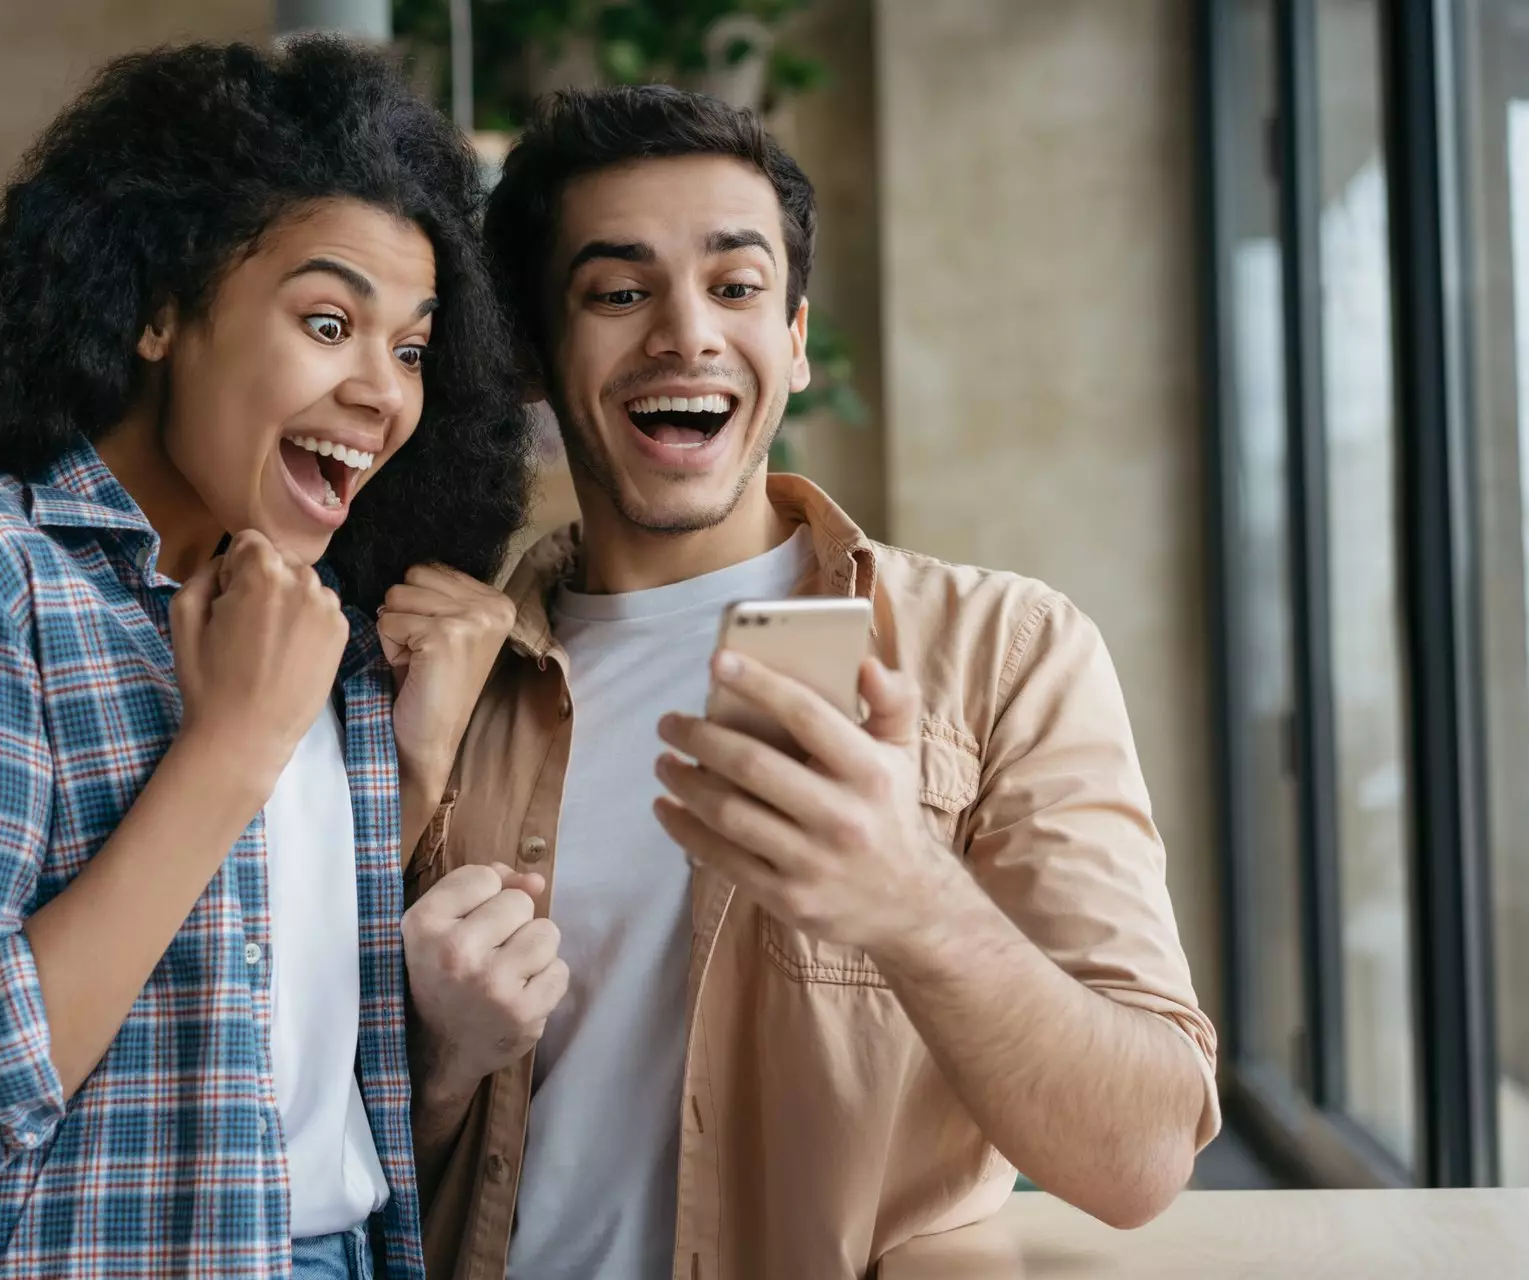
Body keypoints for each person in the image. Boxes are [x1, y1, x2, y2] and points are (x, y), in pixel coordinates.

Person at [388, 85, 1221, 1280]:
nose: (687, 334)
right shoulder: (435, 679)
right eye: (620, 292)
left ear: (793, 338)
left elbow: (1139, 1155)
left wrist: (909, 897)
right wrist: (434, 1063)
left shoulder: (1005, 651)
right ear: (529, 352)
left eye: (736, 287)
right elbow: (281, 1161)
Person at [0, 39, 527, 1280]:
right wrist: (229, 745)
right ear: (160, 310)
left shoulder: (314, 623)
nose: (382, 392)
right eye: (329, 321)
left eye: (409, 349)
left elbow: (271, 1052)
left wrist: (410, 769)